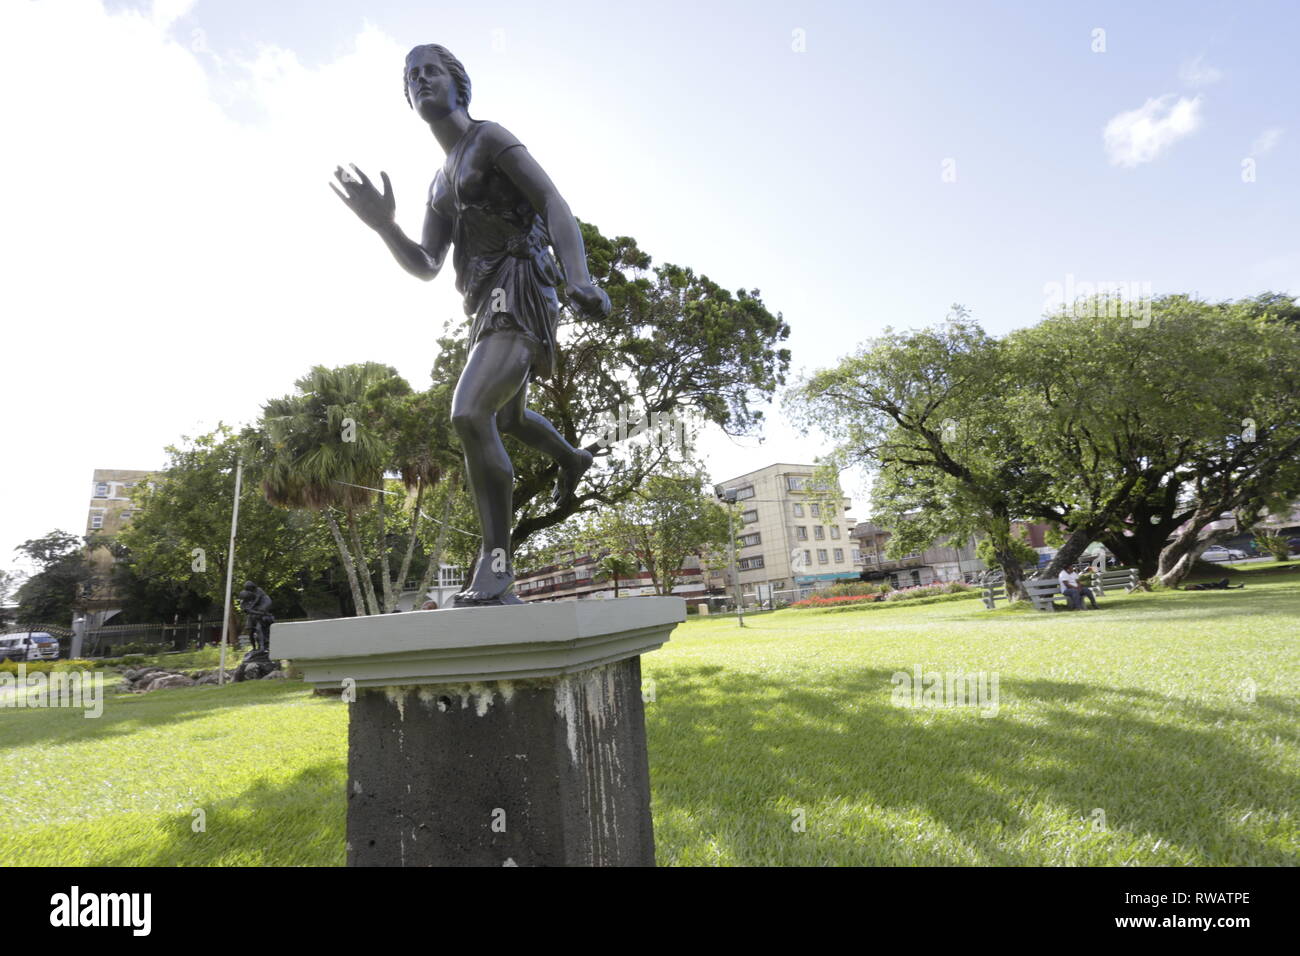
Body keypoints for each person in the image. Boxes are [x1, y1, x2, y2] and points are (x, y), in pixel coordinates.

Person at [331, 44, 610, 607]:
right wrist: (384, 226)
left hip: (525, 282)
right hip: (485, 301)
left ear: (459, 84)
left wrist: (579, 276)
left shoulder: (491, 138)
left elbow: (552, 200)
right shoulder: (437, 185)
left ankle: (496, 562)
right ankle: (571, 457)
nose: (420, 80)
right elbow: (426, 266)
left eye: (430, 70)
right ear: (408, 98)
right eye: (412, 77)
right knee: (507, 414)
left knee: (469, 412)